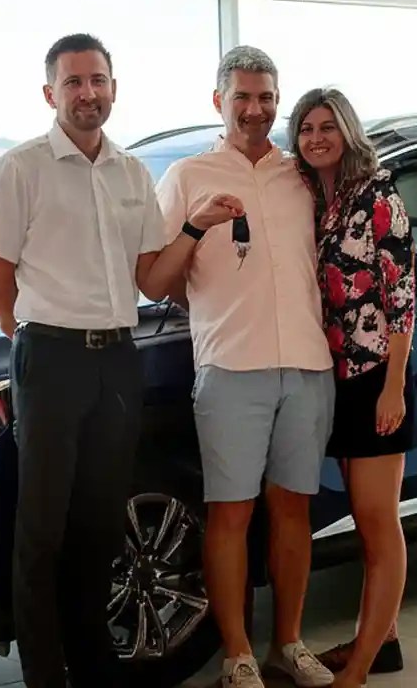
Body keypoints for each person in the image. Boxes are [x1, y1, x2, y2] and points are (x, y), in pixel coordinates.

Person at [0, 33, 241, 688]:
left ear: (114, 88)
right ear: (50, 94)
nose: (87, 93)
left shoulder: (130, 172)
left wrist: (195, 227)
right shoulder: (21, 168)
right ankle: (44, 674)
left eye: (97, 80)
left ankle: (94, 667)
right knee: (42, 529)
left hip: (117, 360)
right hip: (52, 357)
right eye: (73, 83)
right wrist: (28, 336)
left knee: (101, 523)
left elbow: (151, 278)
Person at [155, 45, 336, 688]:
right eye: (242, 98)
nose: (255, 110)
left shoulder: (305, 176)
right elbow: (154, 281)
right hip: (232, 368)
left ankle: (289, 644)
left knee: (293, 511)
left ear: (277, 101)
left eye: (265, 98)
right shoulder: (186, 177)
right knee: (230, 513)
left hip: (309, 365)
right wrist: (196, 229)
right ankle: (236, 655)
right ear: (218, 102)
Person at [288, 86, 417, 688]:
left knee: (376, 521)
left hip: (375, 380)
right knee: (365, 519)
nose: (316, 137)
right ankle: (381, 639)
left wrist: (393, 387)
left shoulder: (378, 196)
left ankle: (359, 670)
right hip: (335, 377)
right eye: (306, 128)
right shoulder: (322, 200)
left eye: (327, 127)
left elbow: (401, 299)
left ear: (347, 131)